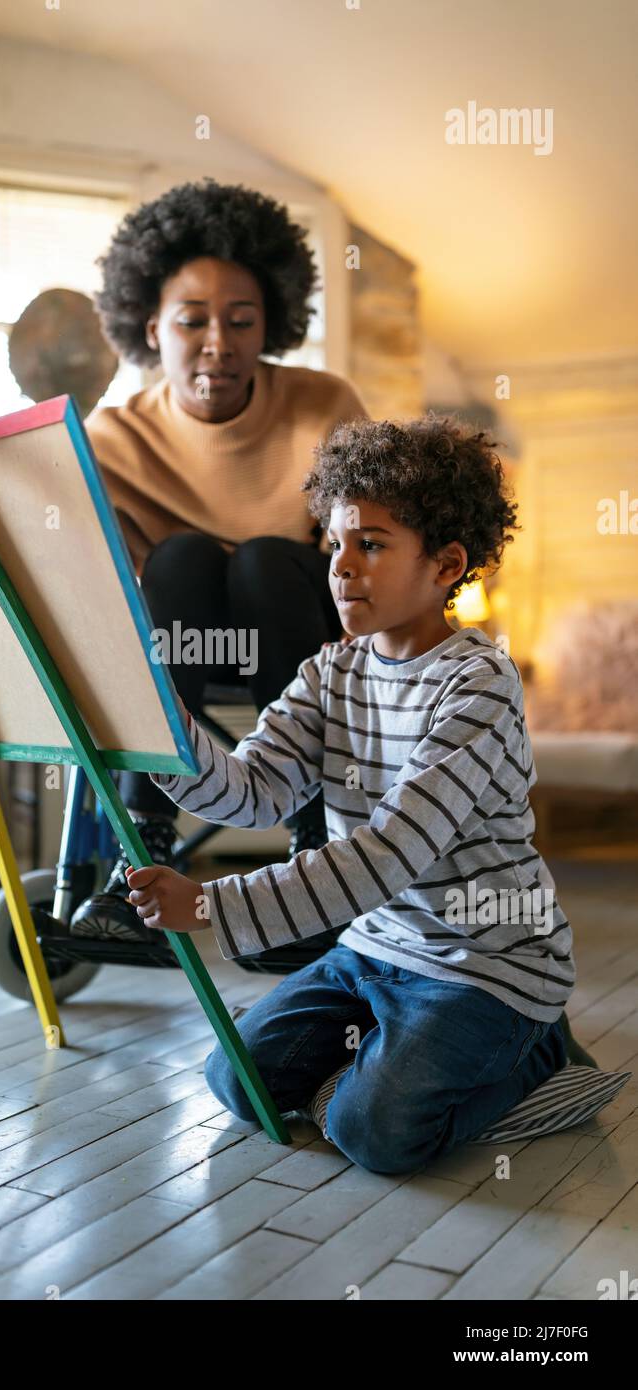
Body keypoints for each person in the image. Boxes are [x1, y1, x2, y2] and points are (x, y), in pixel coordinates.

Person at [124, 415, 576, 1175]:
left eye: (370, 545)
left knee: (373, 1132)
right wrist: (160, 733)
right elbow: (254, 792)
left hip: (484, 964)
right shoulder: (330, 672)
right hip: (374, 946)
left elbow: (386, 854)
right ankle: (392, 1057)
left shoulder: (478, 685)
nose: (340, 567)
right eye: (333, 544)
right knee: (235, 1081)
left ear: (445, 564)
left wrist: (210, 904)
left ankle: (542, 1052)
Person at [70, 178, 367, 940]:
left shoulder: (322, 405)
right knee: (176, 561)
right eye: (192, 320)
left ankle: (311, 843)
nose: (217, 344)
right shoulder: (111, 437)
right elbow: (80, 565)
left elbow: (369, 535)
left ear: (270, 324)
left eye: (241, 320)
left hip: (297, 634)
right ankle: (143, 845)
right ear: (149, 325)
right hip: (184, 635)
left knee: (264, 561)